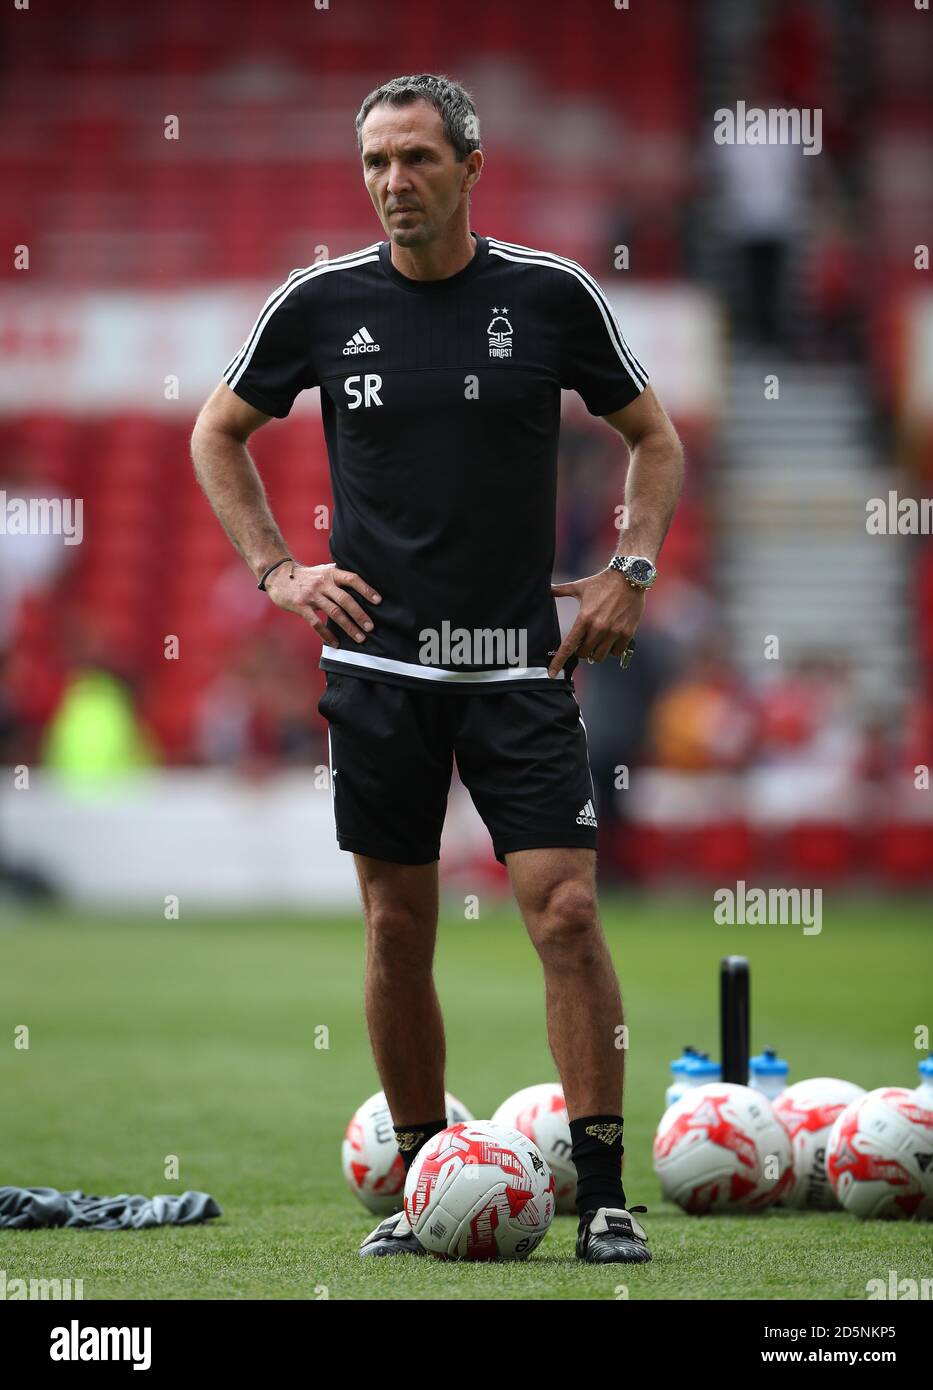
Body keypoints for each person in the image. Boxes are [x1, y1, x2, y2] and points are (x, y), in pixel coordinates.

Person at [192, 74, 683, 1265]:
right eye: (374, 162)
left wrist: (632, 564)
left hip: (517, 667)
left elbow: (652, 440)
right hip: (375, 667)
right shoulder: (318, 304)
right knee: (393, 928)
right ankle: (424, 1184)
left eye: (415, 158)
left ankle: (606, 1193)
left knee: (564, 912)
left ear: (470, 167)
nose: (393, 182)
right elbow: (216, 432)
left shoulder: (551, 296)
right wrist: (277, 573)